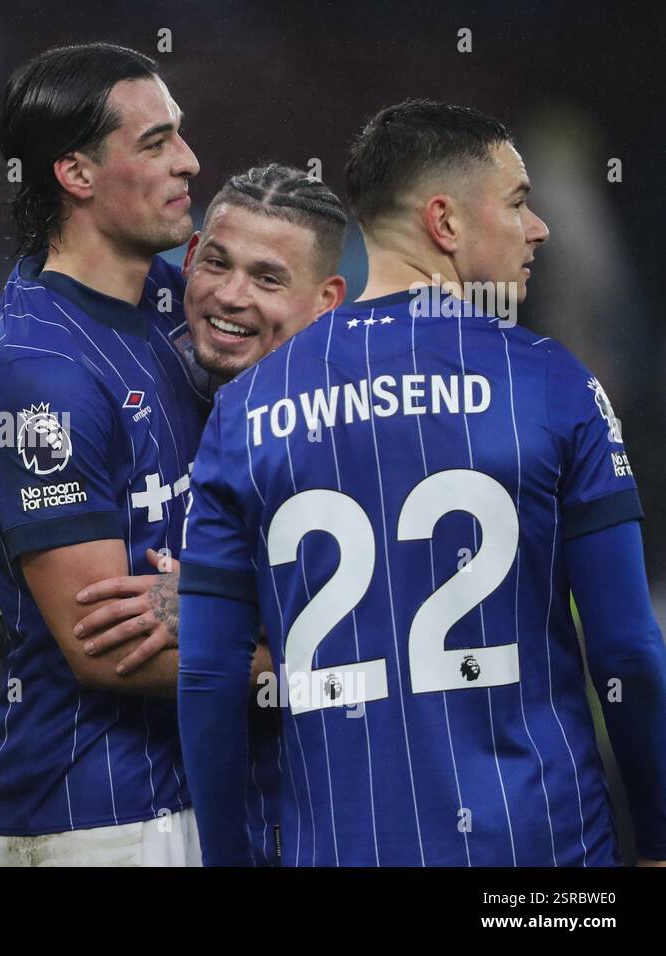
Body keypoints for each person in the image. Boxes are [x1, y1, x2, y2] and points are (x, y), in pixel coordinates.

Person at [178, 99, 666, 867]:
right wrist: (658, 836)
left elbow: (207, 679)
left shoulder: (244, 414)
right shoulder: (550, 383)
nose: (537, 228)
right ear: (444, 223)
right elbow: (629, 653)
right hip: (540, 862)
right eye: (517, 202)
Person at [0, 42, 347, 866]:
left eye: (180, 135)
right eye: (155, 143)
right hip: (94, 816)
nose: (188, 161)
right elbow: (108, 648)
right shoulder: (36, 372)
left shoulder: (176, 298)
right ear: (77, 174)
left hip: (199, 791)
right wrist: (329, 660)